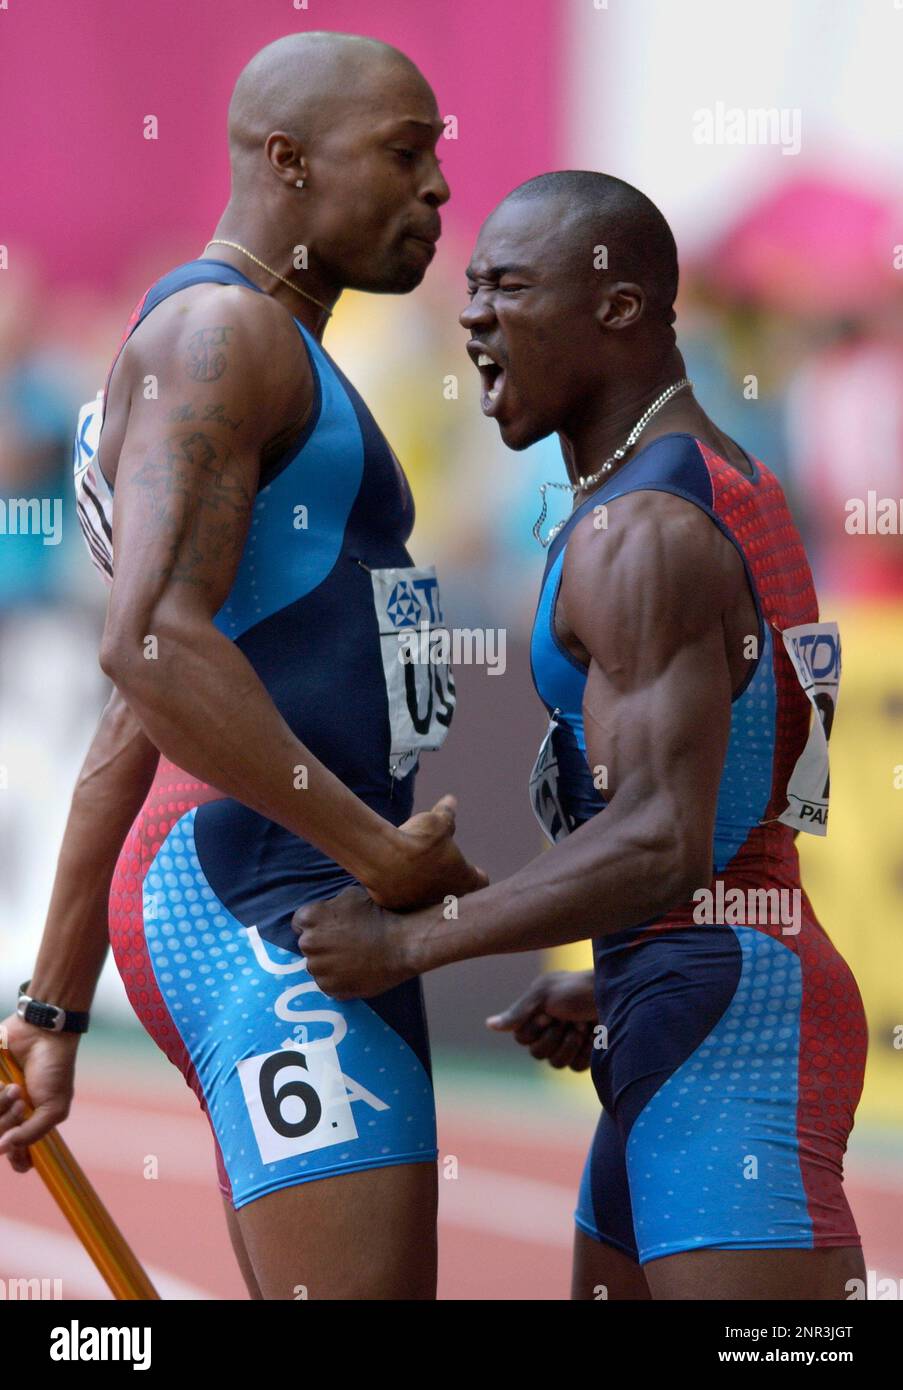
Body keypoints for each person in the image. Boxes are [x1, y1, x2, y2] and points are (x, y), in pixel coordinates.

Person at [293, 171, 869, 1302]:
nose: (471, 316)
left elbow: (664, 839)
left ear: (617, 307)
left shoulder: (645, 532)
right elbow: (754, 790)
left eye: (507, 286)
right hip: (686, 996)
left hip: (730, 1027)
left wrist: (412, 944)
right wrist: (621, 970)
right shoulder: (717, 480)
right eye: (470, 289)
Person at [0, 31, 486, 1302]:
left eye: (438, 158)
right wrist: (379, 855)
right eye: (404, 154)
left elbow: (138, 700)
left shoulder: (271, 347)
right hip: (269, 893)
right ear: (286, 160)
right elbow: (147, 643)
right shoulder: (222, 335)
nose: (437, 189)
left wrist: (51, 1011)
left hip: (287, 880)